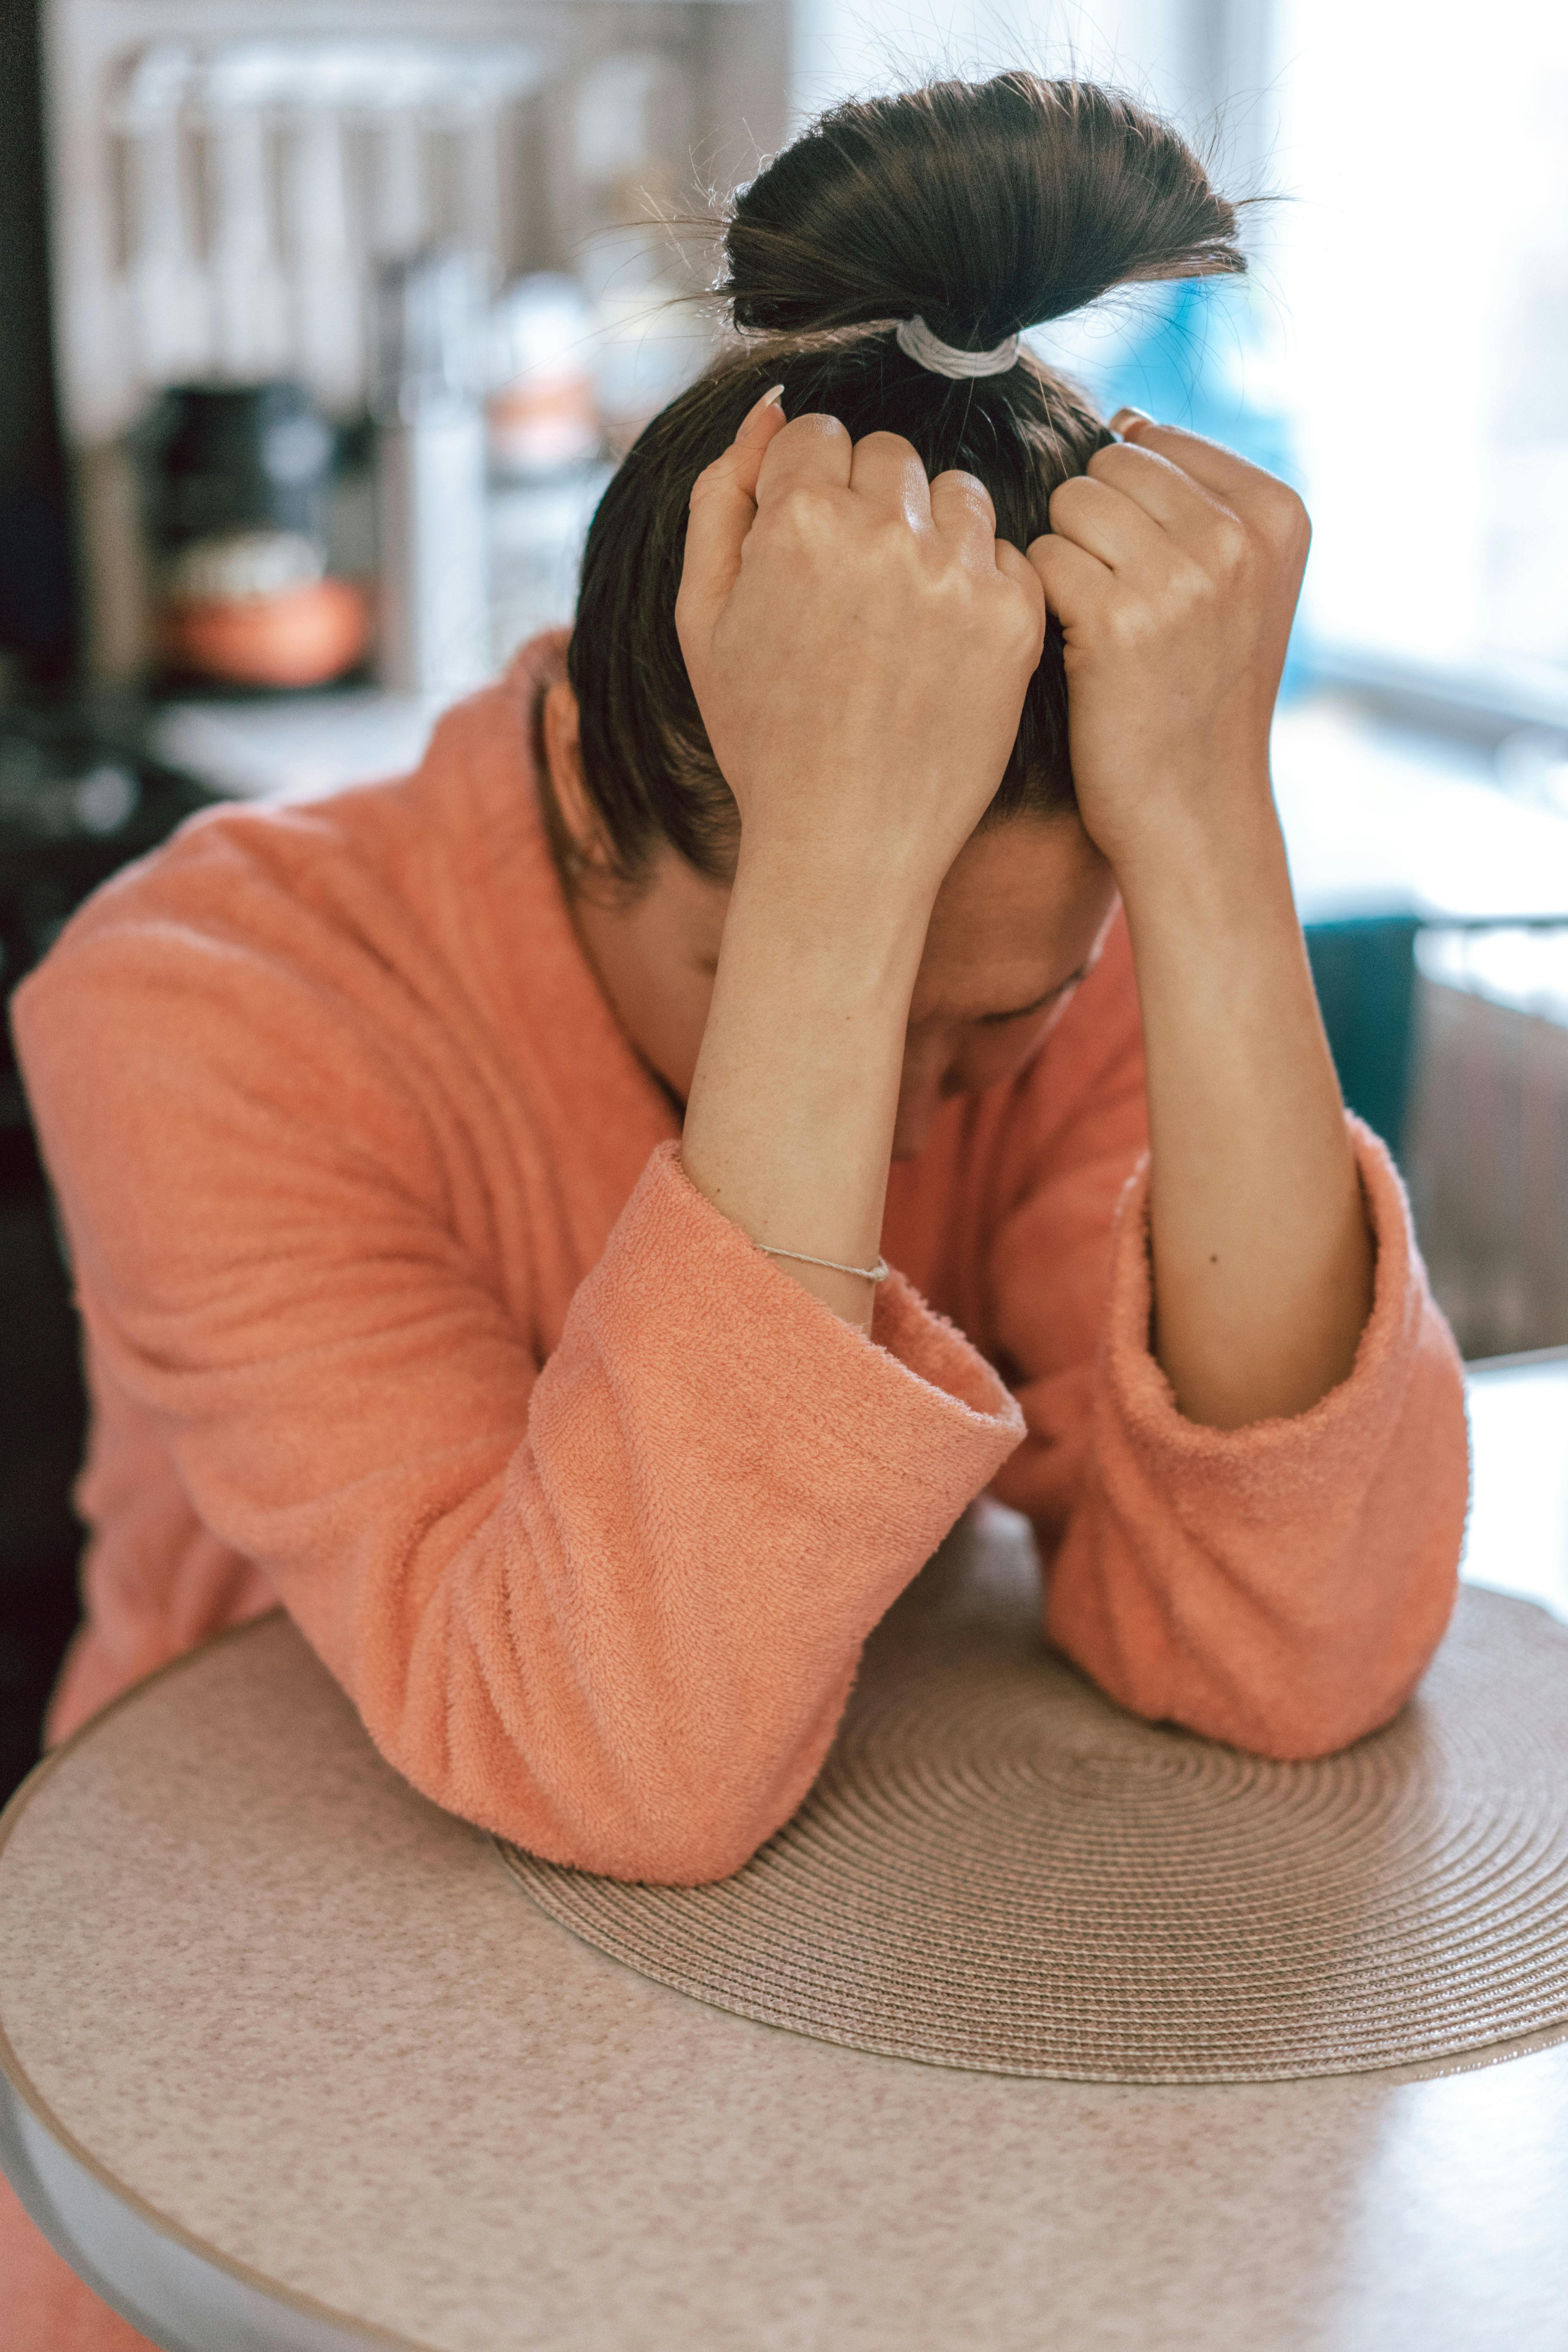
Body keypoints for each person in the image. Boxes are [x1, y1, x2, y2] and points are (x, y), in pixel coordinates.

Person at [6, 74, 1466, 2346]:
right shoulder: (205, 1006)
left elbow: (1292, 1649)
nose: (920, 1119)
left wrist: (1206, 834)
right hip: (251, 2071)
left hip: (835, 2034)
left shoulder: (1045, 931)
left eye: (993, 1026)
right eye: (823, 992)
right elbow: (616, 1753)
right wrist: (839, 888)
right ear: (599, 781)